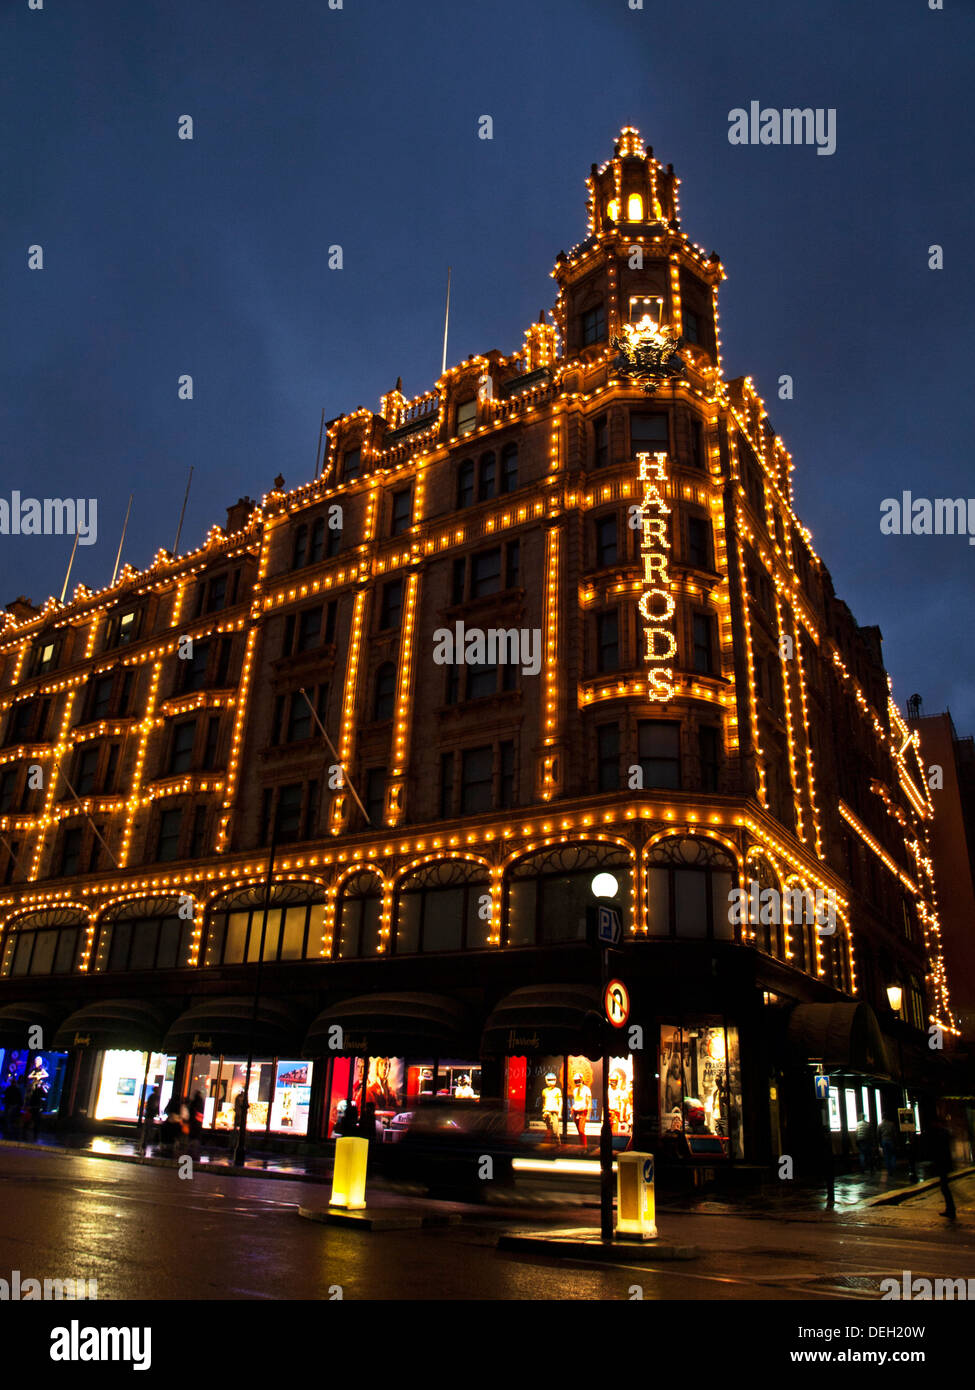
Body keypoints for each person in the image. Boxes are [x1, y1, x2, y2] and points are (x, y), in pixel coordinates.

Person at [928, 1115, 956, 1220]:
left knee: (945, 1187)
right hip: (945, 1163)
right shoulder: (944, 1133)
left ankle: (950, 1209)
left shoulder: (940, 1134)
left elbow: (939, 1150)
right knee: (945, 1187)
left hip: (942, 1163)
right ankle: (950, 1209)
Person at [569, 1072, 592, 1148]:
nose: (577, 1082)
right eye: (575, 1081)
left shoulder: (586, 1089)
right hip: (576, 1112)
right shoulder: (575, 1090)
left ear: (581, 1080)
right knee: (579, 1131)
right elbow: (577, 1101)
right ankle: (581, 1146)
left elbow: (589, 1102)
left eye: (578, 1080)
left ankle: (584, 1147)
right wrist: (572, 1109)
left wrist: (588, 1115)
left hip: (583, 1112)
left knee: (581, 1130)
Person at [541, 1072, 563, 1147]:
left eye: (553, 1079)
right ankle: (551, 1145)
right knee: (549, 1130)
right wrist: (544, 1111)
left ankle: (558, 1144)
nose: (551, 1081)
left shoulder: (557, 1090)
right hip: (547, 1112)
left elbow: (560, 1102)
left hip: (554, 1112)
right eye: (549, 1080)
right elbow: (544, 1102)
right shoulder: (544, 1091)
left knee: (555, 1130)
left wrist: (559, 1113)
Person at [139, 1088, 160, 1155]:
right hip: (150, 1115)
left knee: (146, 1129)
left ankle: (144, 1143)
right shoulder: (155, 1097)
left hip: (149, 1115)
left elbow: (150, 1105)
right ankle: (144, 1143)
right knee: (148, 1129)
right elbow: (156, 1106)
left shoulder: (152, 1096)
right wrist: (157, 1113)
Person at [187, 1090, 205, 1160]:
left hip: (193, 1122)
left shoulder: (194, 1103)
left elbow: (191, 1111)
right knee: (196, 1137)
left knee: (192, 1136)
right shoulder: (201, 1102)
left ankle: (191, 1149)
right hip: (198, 1122)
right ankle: (195, 1150)